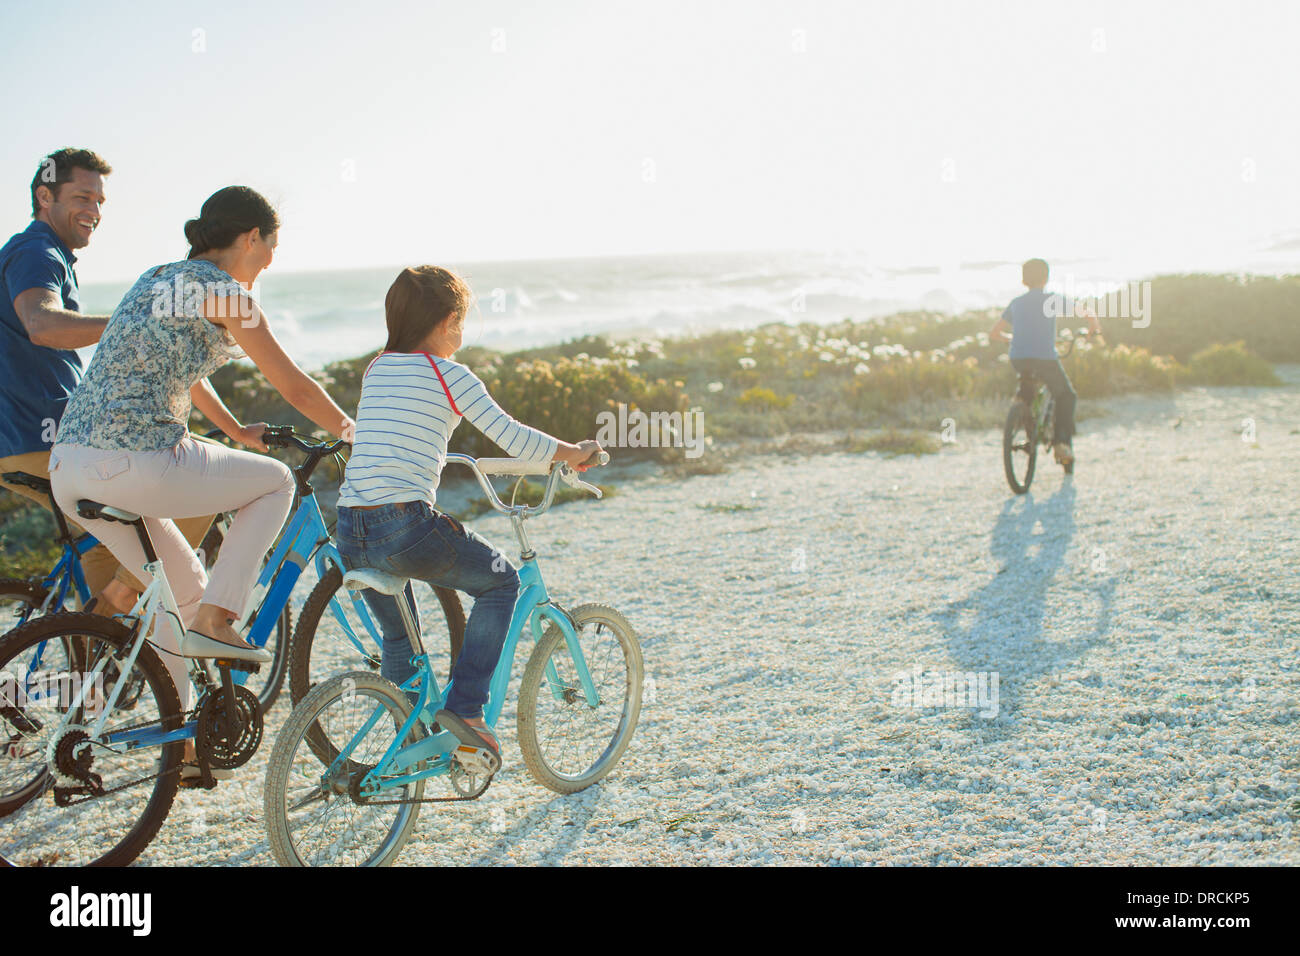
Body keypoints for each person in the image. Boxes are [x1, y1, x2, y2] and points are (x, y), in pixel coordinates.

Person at [49, 186, 355, 722]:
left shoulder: (155, 278)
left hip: (69, 468)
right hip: (138, 460)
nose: (266, 264)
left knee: (180, 596)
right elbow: (295, 387)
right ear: (252, 237)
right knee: (277, 482)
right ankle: (220, 619)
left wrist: (236, 429)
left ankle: (182, 740)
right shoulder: (228, 294)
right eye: (269, 250)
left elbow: (177, 370)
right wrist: (355, 432)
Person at [334, 265, 601, 760]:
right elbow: (514, 438)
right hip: (405, 525)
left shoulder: (377, 368)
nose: (462, 330)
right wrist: (571, 452)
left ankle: (407, 747)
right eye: (460, 318)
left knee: (400, 640)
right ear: (445, 320)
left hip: (350, 526)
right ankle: (467, 710)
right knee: (502, 582)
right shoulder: (448, 373)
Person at [0, 149, 213, 614]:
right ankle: (104, 626)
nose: (94, 212)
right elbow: (43, 324)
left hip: (33, 435)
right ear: (44, 196)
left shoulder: (45, 253)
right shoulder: (36, 250)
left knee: (106, 536)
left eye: (100, 201)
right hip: (44, 435)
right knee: (197, 488)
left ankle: (98, 654)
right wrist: (131, 319)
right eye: (81, 197)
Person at [990, 258, 1100, 465]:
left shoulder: (1016, 303)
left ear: (1024, 280)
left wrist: (1011, 339)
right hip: (1044, 358)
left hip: (1018, 358)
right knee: (1066, 395)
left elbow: (995, 333)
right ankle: (1061, 443)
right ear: (1046, 277)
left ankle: (1023, 409)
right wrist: (1093, 324)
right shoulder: (1051, 300)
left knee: (1028, 386)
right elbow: (1085, 312)